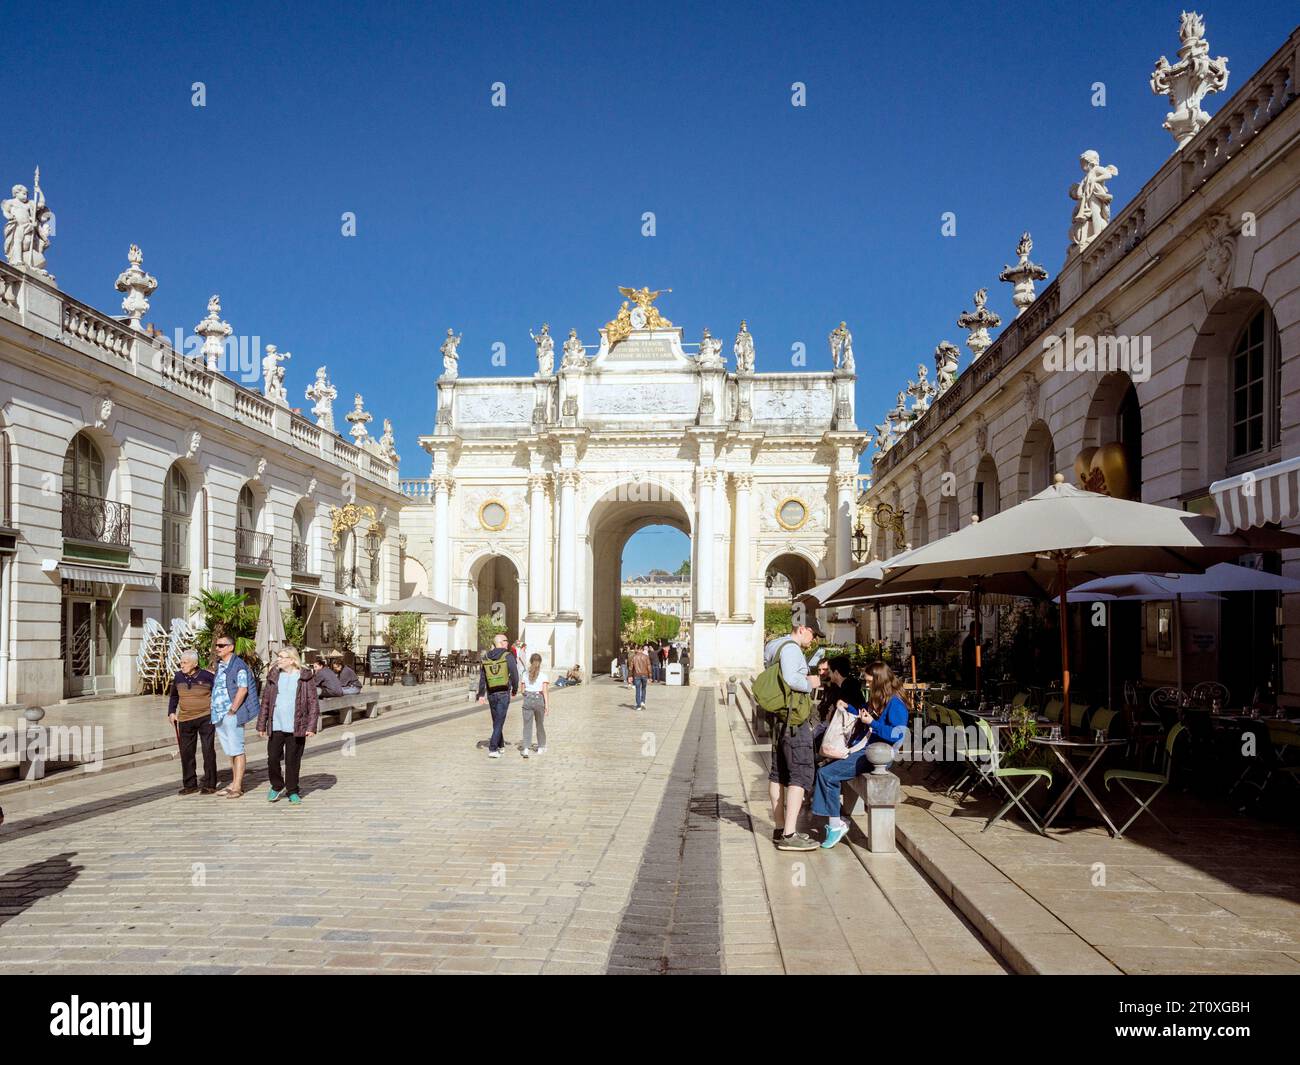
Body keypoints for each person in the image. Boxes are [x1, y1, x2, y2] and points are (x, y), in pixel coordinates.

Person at [813, 661, 911, 850]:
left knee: (827, 775)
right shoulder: (878, 697)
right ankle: (834, 819)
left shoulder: (896, 704)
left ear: (879, 680)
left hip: (876, 755)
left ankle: (836, 825)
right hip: (865, 749)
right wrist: (848, 708)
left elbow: (897, 734)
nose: (866, 685)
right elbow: (863, 713)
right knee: (824, 770)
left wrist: (873, 723)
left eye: (868, 681)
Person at [763, 621, 823, 851]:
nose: (813, 639)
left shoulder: (774, 646)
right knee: (800, 772)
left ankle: (780, 828)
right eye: (813, 633)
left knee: (778, 773)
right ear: (801, 627)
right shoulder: (791, 648)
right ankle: (789, 834)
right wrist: (811, 682)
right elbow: (790, 679)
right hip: (794, 720)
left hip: (780, 719)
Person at [257, 646, 320, 805]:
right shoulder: (273, 676)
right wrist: (261, 725)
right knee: (272, 758)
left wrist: (311, 726)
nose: (278, 659)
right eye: (278, 657)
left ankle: (292, 790)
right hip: (276, 724)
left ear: (292, 660)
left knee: (292, 760)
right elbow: (265, 701)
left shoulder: (305, 678)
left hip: (296, 726)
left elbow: (313, 703)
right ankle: (277, 785)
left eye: (282, 657)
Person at [210, 636, 257, 798]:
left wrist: (233, 709)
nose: (218, 648)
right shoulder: (221, 665)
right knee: (230, 750)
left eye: (221, 645)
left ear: (231, 647)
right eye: (217, 645)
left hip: (231, 714)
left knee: (237, 749)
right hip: (219, 714)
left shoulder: (238, 666)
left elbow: (242, 689)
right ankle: (233, 782)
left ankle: (237, 786)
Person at [167, 650, 218, 795]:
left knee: (208, 750)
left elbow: (217, 694)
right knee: (186, 752)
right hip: (185, 719)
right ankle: (190, 784)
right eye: (181, 662)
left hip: (205, 717)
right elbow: (173, 696)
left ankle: (210, 784)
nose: (181, 665)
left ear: (195, 664)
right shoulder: (177, 677)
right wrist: (171, 712)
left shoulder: (207, 676)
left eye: (185, 662)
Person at [476, 633, 519, 758]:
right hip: (503, 692)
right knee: (499, 721)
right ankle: (493, 748)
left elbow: (482, 677)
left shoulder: (486, 657)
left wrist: (481, 694)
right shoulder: (508, 656)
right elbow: (515, 675)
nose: (508, 643)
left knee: (496, 720)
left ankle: (500, 745)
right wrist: (515, 690)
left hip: (491, 693)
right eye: (506, 640)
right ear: (500, 642)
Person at [519, 653, 550, 758]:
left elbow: (522, 690)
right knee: (539, 724)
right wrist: (547, 706)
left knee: (527, 725)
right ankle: (541, 746)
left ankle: (526, 748)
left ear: (530, 662)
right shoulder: (543, 676)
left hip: (528, 699)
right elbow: (545, 691)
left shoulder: (525, 674)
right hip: (539, 699)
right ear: (540, 662)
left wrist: (528, 695)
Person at [628, 643, 652, 711]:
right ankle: (642, 703)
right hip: (645, 675)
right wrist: (650, 677)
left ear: (637, 649)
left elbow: (630, 668)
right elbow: (649, 666)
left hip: (637, 675)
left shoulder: (634, 657)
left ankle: (638, 706)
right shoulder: (646, 657)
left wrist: (629, 676)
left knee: (638, 690)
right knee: (643, 688)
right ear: (642, 650)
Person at [961, 622, 977, 688]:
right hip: (970, 670)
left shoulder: (968, 640)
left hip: (967, 669)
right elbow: (973, 656)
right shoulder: (970, 641)